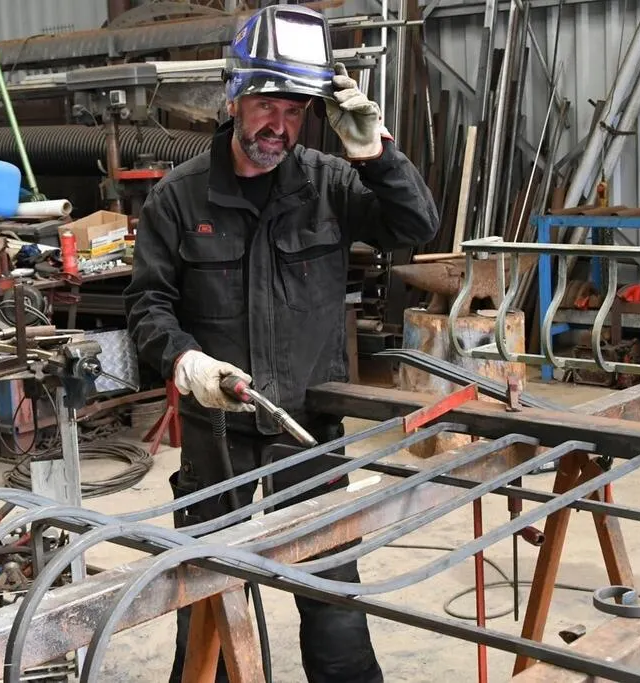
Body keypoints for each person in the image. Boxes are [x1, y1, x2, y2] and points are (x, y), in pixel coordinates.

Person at [123, 5, 439, 682]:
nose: (279, 125)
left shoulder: (328, 183)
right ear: (235, 98)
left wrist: (377, 153)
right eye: (267, 103)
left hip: (308, 437)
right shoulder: (180, 200)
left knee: (333, 608)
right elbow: (147, 307)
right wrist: (188, 362)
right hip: (217, 443)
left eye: (295, 110)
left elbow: (415, 225)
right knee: (207, 607)